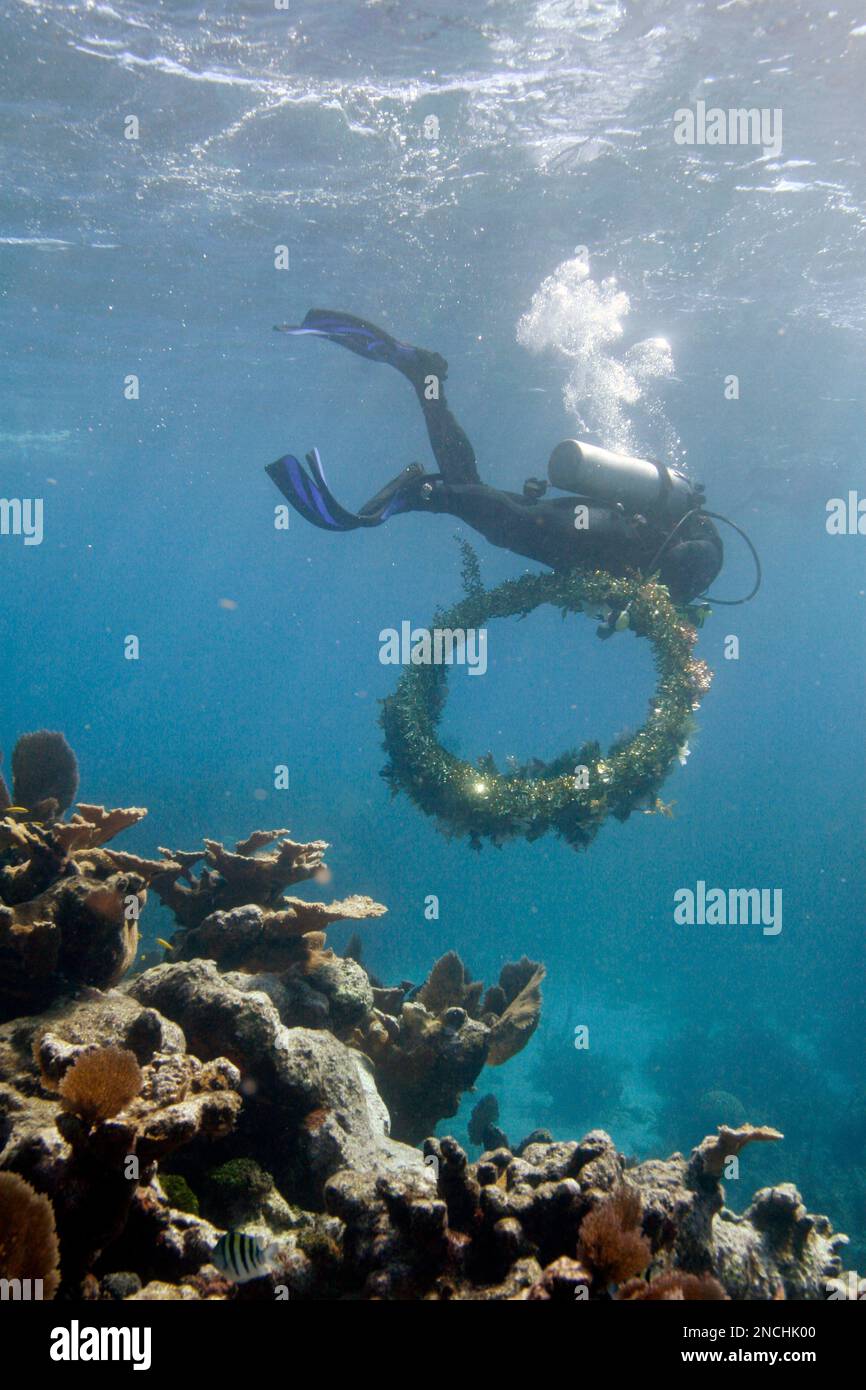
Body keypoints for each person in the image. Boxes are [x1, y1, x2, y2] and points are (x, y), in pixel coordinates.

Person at [266, 309, 725, 606]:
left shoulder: (694, 557)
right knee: (504, 522)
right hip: (597, 531)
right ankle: (427, 493)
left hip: (592, 528)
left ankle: (425, 381)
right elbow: (671, 563)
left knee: (479, 494)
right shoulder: (692, 574)